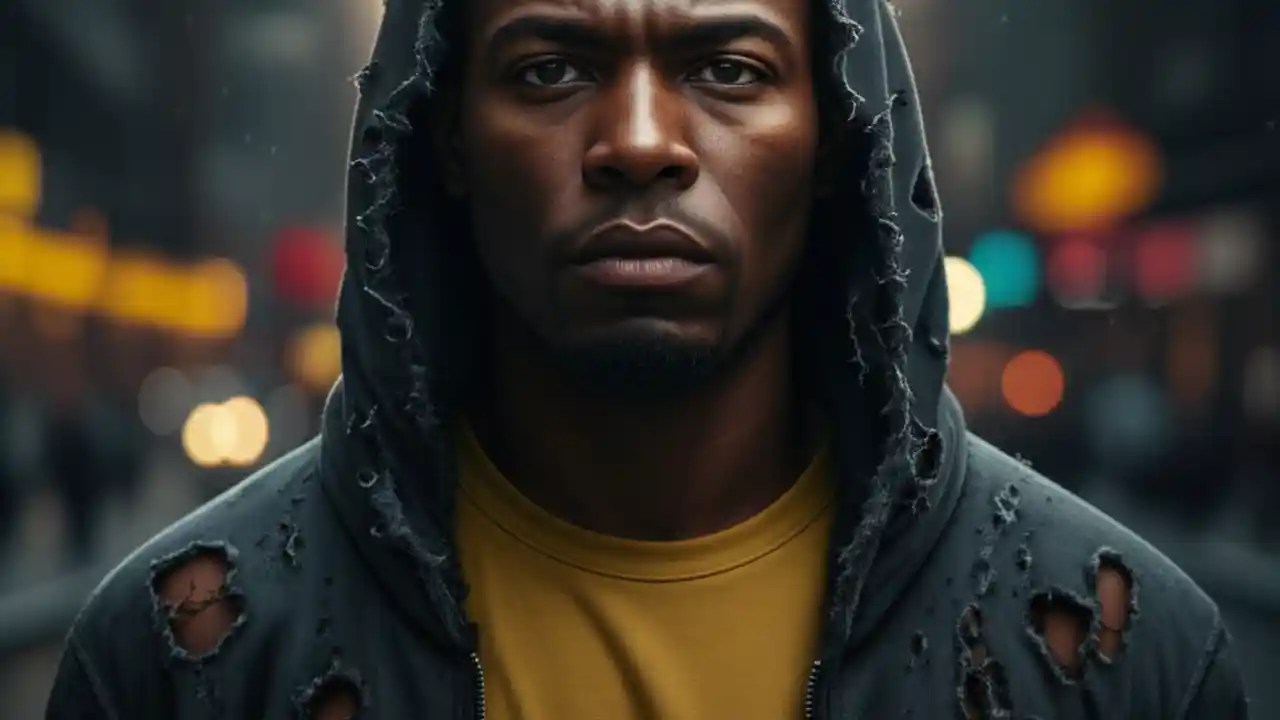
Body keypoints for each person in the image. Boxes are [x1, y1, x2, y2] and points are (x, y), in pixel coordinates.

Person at [48, 1, 1249, 717]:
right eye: (549, 68)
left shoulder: (1121, 654)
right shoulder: (182, 655)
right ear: (445, 134)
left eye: (727, 69)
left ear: (835, 138)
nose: (635, 142)